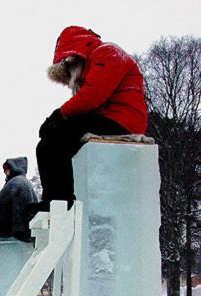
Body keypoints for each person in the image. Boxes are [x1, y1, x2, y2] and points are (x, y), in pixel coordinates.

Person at [36, 26, 147, 209]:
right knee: (49, 143)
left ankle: (60, 201)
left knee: (56, 137)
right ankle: (54, 200)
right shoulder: (94, 63)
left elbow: (93, 96)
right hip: (109, 118)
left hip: (121, 120)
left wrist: (59, 115)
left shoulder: (108, 53)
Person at [0, 157, 38, 251]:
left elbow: (18, 208)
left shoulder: (17, 183)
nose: (5, 172)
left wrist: (19, 229)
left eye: (7, 168)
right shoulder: (14, 182)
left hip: (11, 238)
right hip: (7, 235)